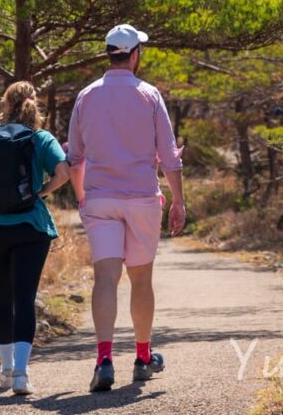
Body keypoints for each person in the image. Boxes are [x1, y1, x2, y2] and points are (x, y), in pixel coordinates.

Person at [66, 23, 186, 392]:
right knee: (141, 279)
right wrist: (179, 201)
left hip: (100, 197)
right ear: (134, 55)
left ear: (109, 53)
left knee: (105, 278)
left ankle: (103, 360)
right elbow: (168, 156)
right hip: (141, 198)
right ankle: (143, 356)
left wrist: (83, 196)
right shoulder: (149, 95)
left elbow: (75, 158)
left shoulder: (86, 95)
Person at [0, 82, 71, 396]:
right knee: (25, 299)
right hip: (31, 227)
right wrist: (41, 192)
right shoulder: (40, 138)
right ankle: (21, 374)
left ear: (6, 105)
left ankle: (5, 369)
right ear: (34, 106)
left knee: (3, 299)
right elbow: (63, 172)